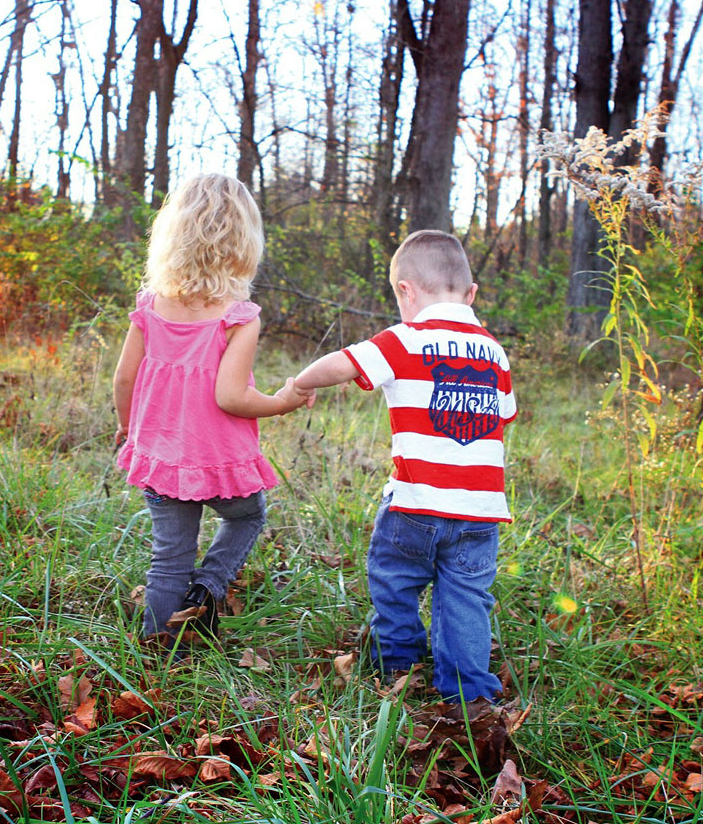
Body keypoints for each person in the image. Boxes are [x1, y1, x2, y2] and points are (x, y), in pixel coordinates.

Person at [289, 230, 516, 702]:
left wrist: (301, 382)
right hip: (480, 510)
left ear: (405, 291)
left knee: (394, 580)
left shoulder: (405, 338)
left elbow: (344, 363)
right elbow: (506, 413)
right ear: (471, 294)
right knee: (467, 600)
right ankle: (469, 694)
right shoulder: (494, 351)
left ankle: (397, 665)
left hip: (415, 501)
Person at [113, 173, 314, 644]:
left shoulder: (151, 306)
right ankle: (208, 586)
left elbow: (124, 377)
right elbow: (231, 397)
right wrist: (282, 402)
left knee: (169, 558)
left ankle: (159, 656)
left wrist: (128, 428)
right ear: (244, 240)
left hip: (161, 458)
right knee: (247, 516)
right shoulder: (237, 317)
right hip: (218, 459)